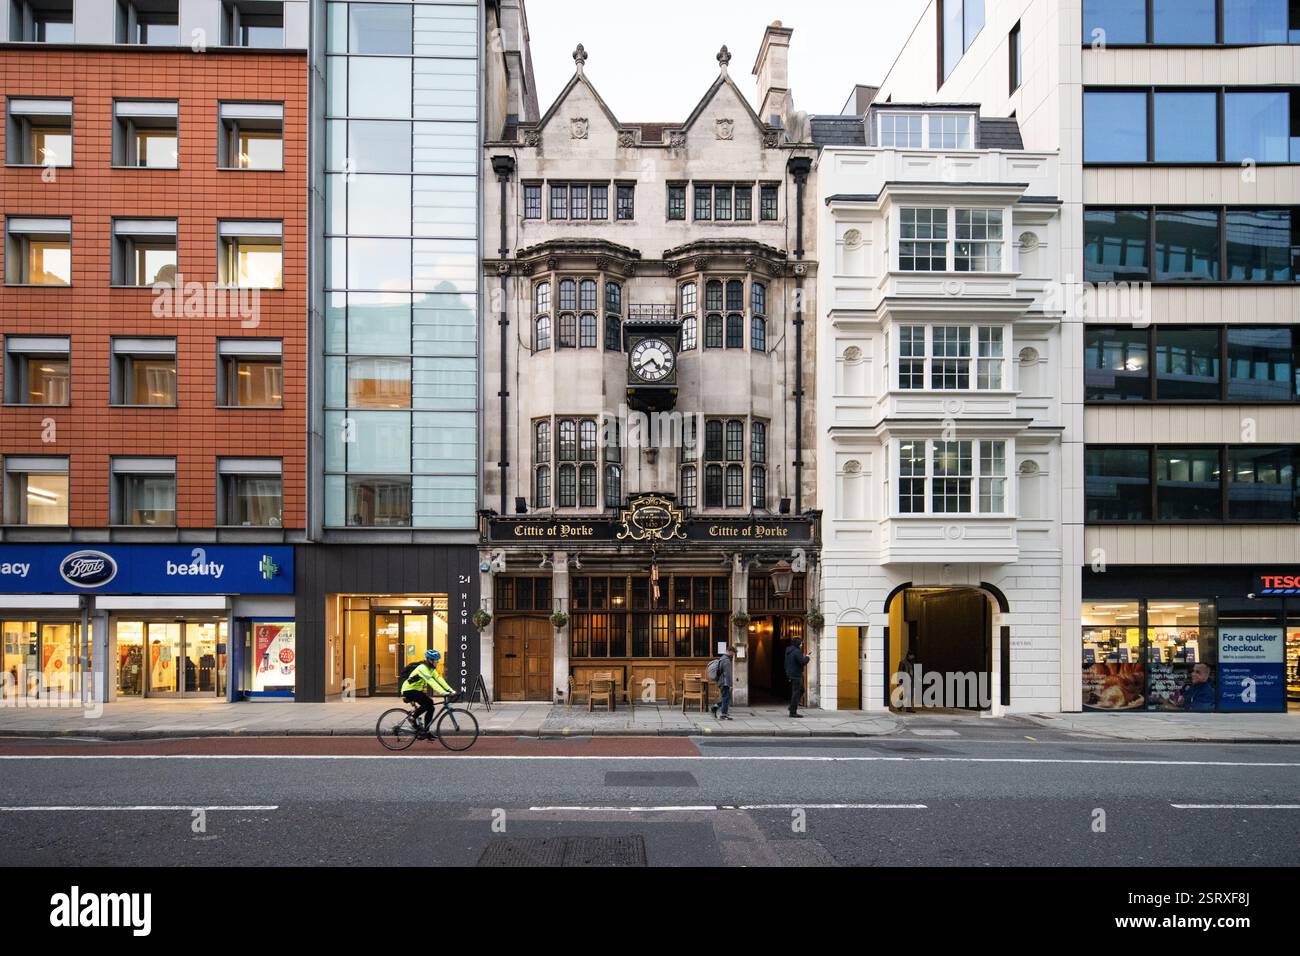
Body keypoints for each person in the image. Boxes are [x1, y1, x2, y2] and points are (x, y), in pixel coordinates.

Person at [401, 649, 455, 734]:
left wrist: (450, 690)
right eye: (436, 660)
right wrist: (442, 692)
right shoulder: (422, 668)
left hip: (416, 690)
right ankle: (412, 718)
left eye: (438, 660)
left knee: (431, 707)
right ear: (430, 660)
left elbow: (439, 679)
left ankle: (426, 731)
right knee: (429, 702)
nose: (437, 662)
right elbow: (431, 681)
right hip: (409, 690)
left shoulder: (431, 669)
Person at [784, 636, 810, 718]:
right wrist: (807, 657)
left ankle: (792, 706)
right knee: (796, 692)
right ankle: (793, 712)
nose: (802, 644)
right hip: (796, 674)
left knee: (801, 690)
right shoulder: (797, 651)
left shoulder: (789, 650)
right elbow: (802, 662)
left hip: (791, 673)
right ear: (798, 643)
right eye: (801, 643)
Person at [710, 646, 736, 721]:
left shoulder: (722, 658)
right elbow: (728, 674)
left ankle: (715, 707)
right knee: (726, 697)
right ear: (730, 651)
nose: (733, 655)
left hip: (722, 682)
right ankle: (723, 715)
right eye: (733, 653)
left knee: (726, 697)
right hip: (724, 682)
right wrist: (730, 685)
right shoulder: (726, 660)